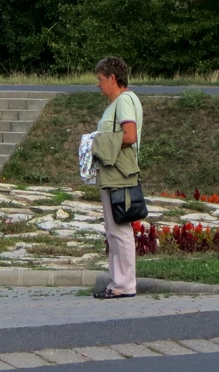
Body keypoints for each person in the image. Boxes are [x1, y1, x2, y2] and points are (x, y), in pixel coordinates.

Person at [92, 56, 142, 299]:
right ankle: (117, 281)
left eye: (101, 79)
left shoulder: (124, 101)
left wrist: (98, 141)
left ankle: (124, 285)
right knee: (113, 228)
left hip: (120, 171)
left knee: (120, 228)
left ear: (113, 78)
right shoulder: (120, 102)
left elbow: (130, 135)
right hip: (113, 170)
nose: (98, 84)